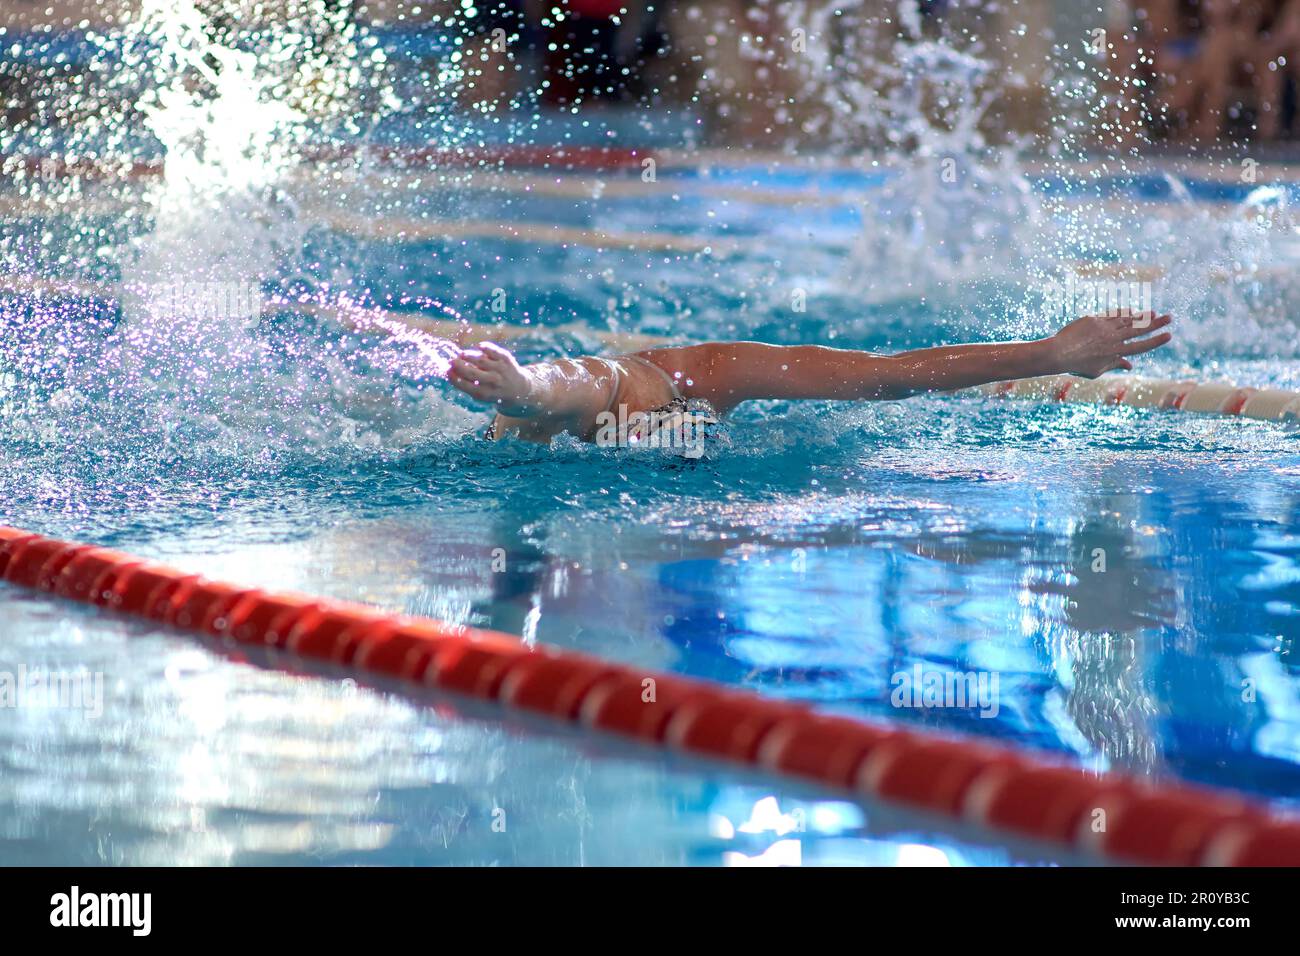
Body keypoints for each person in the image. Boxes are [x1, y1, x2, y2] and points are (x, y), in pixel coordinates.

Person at [446, 311, 1173, 451]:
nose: (646, 431)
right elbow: (579, 382)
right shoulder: (622, 388)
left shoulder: (708, 374)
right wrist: (522, 387)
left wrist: (1047, 354)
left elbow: (887, 377)